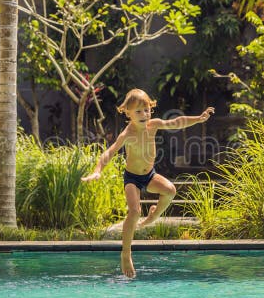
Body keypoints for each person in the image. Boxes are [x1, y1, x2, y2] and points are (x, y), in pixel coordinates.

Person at [82, 89, 214, 278]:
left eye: (146, 110)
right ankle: (126, 253)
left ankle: (153, 217)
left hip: (149, 175)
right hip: (132, 179)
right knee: (134, 211)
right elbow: (109, 153)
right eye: (138, 112)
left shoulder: (154, 125)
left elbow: (176, 122)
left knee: (170, 190)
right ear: (127, 113)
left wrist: (199, 118)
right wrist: (97, 171)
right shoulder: (127, 133)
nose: (144, 115)